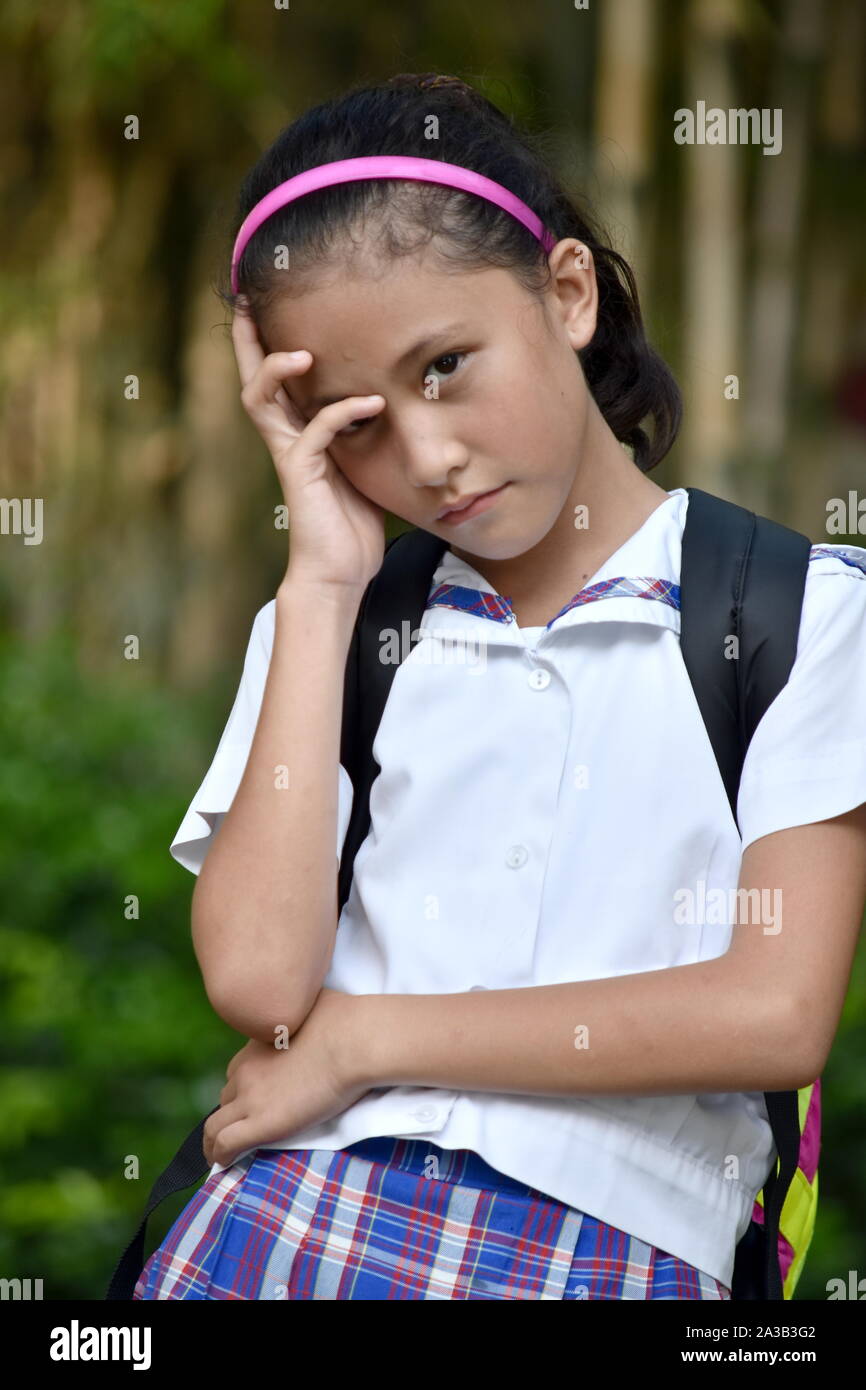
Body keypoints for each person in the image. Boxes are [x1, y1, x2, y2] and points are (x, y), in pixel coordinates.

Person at [133, 73, 866, 1300]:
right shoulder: (340, 619)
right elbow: (261, 989)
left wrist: (369, 1038)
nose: (426, 458)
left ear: (567, 293)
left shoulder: (798, 613)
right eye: (352, 424)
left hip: (610, 1251)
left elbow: (773, 1012)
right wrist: (317, 591)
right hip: (285, 1227)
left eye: (447, 366)